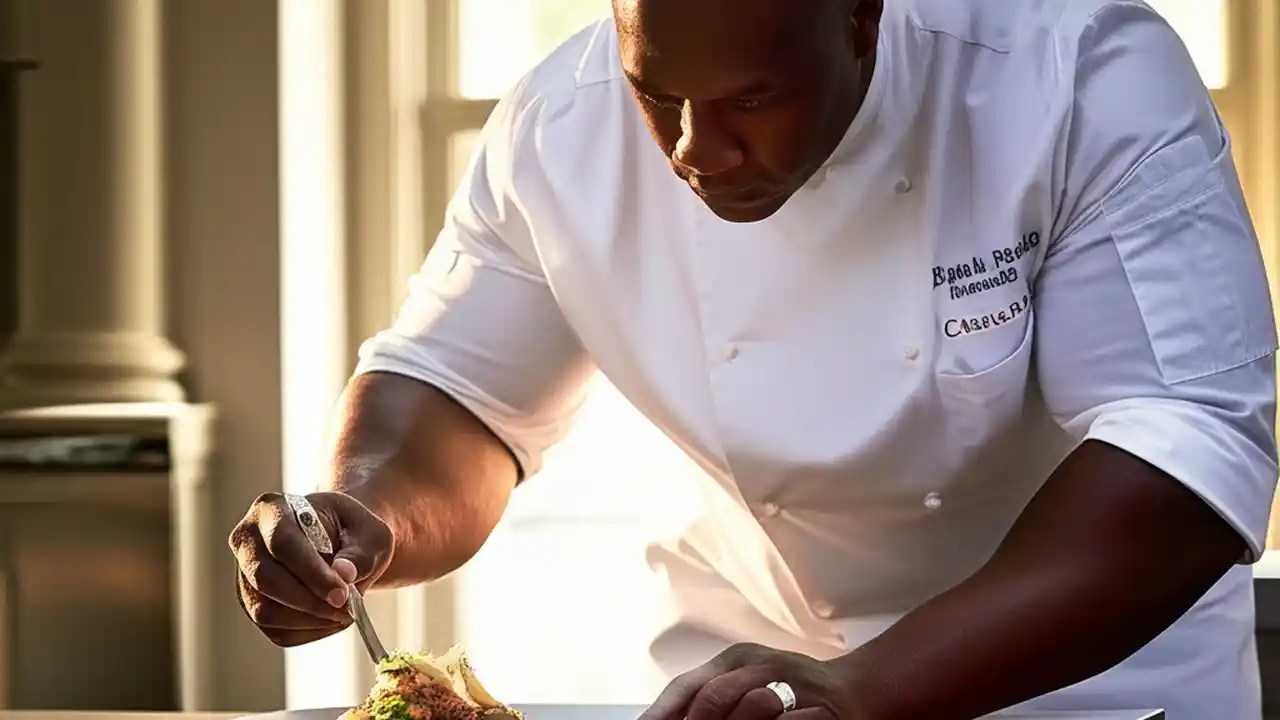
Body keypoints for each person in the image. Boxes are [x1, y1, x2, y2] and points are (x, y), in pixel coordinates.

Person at [228, 0, 1280, 717]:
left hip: (1084, 689)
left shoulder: (1074, 71)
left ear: (863, 15)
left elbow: (1182, 452)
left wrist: (868, 690)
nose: (694, 151)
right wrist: (362, 518)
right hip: (743, 697)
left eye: (750, 102)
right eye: (658, 95)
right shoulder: (561, 122)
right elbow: (460, 397)